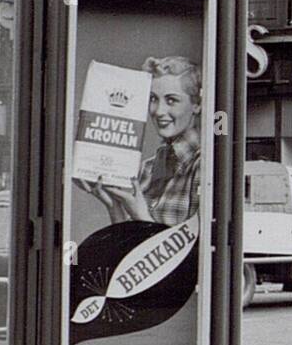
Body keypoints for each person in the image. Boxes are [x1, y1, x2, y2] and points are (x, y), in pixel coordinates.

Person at [79, 56, 203, 228]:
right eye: (153, 98)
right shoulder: (148, 167)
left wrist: (139, 214)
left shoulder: (203, 166)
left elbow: (197, 252)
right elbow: (133, 246)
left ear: (197, 104)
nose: (159, 111)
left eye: (171, 100)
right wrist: (114, 206)